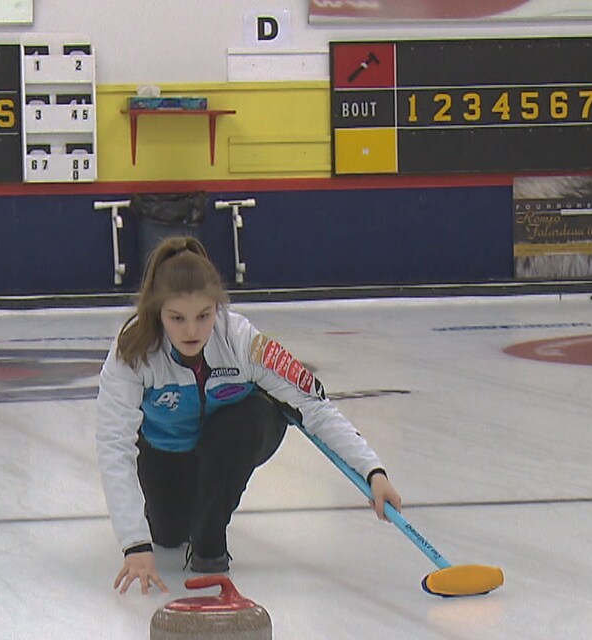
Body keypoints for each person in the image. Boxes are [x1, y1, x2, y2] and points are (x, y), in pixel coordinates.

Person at [96, 236, 403, 595]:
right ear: (157, 311)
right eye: (177, 318)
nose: (191, 331)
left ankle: (210, 544)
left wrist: (373, 471)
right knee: (167, 535)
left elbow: (313, 405)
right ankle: (191, 515)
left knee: (239, 425)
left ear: (218, 308)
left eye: (203, 316)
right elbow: (114, 444)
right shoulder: (133, 350)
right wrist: (135, 543)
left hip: (233, 437)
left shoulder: (241, 340)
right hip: (168, 448)